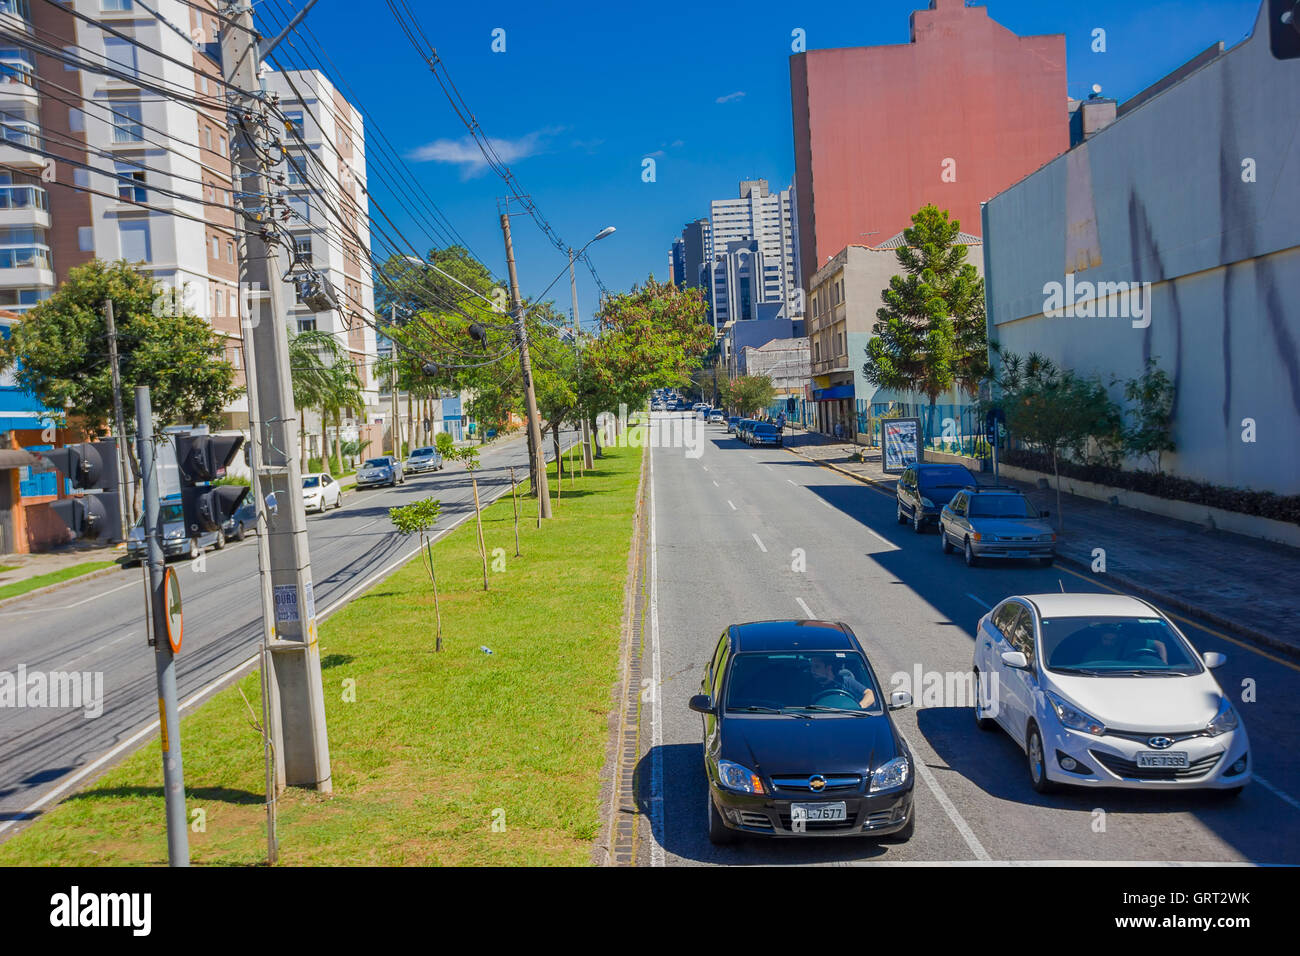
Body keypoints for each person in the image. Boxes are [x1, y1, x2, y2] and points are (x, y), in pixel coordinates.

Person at [809, 656, 876, 709]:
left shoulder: (846, 681)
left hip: (847, 717)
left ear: (828, 668)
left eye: (817, 667)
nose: (812, 670)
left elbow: (870, 694)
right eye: (811, 666)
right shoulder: (808, 684)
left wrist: (858, 708)